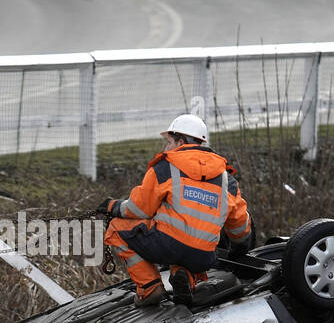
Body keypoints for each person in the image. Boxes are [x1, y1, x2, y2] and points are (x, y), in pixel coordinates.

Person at [98, 114, 252, 306]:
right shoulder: (226, 179)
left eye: (169, 142)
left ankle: (150, 287)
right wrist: (240, 248)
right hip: (204, 257)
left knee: (116, 229)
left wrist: (112, 206)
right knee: (189, 239)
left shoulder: (165, 167)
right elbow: (239, 226)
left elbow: (139, 209)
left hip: (167, 246)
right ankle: (185, 276)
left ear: (180, 141)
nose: (166, 147)